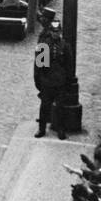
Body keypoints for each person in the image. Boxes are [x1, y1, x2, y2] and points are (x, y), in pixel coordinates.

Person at [33, 8, 72, 138]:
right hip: (47, 80)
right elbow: (39, 64)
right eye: (53, 31)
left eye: (57, 32)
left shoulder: (65, 46)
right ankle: (41, 129)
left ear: (60, 32)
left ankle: (61, 129)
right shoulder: (44, 45)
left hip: (60, 81)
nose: (56, 34)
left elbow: (68, 65)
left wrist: (67, 80)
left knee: (60, 108)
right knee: (44, 107)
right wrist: (38, 80)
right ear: (50, 32)